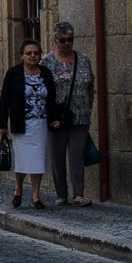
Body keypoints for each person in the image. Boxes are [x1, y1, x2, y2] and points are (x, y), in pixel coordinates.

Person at [0, 38, 64, 209]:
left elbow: (52, 98)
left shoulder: (45, 73)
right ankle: (18, 188)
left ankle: (36, 195)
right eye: (29, 53)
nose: (32, 56)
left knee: (38, 160)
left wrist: (56, 118)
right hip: (22, 123)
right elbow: (4, 100)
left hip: (40, 123)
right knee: (22, 160)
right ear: (22, 56)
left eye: (35, 53)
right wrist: (3, 124)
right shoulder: (13, 74)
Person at [42, 20, 96, 206]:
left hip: (79, 117)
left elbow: (90, 84)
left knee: (76, 156)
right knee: (57, 158)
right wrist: (50, 116)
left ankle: (78, 194)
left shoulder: (83, 59)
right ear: (55, 40)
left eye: (70, 40)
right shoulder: (47, 61)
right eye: (62, 40)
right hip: (57, 119)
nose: (66, 44)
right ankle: (61, 194)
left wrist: (88, 107)